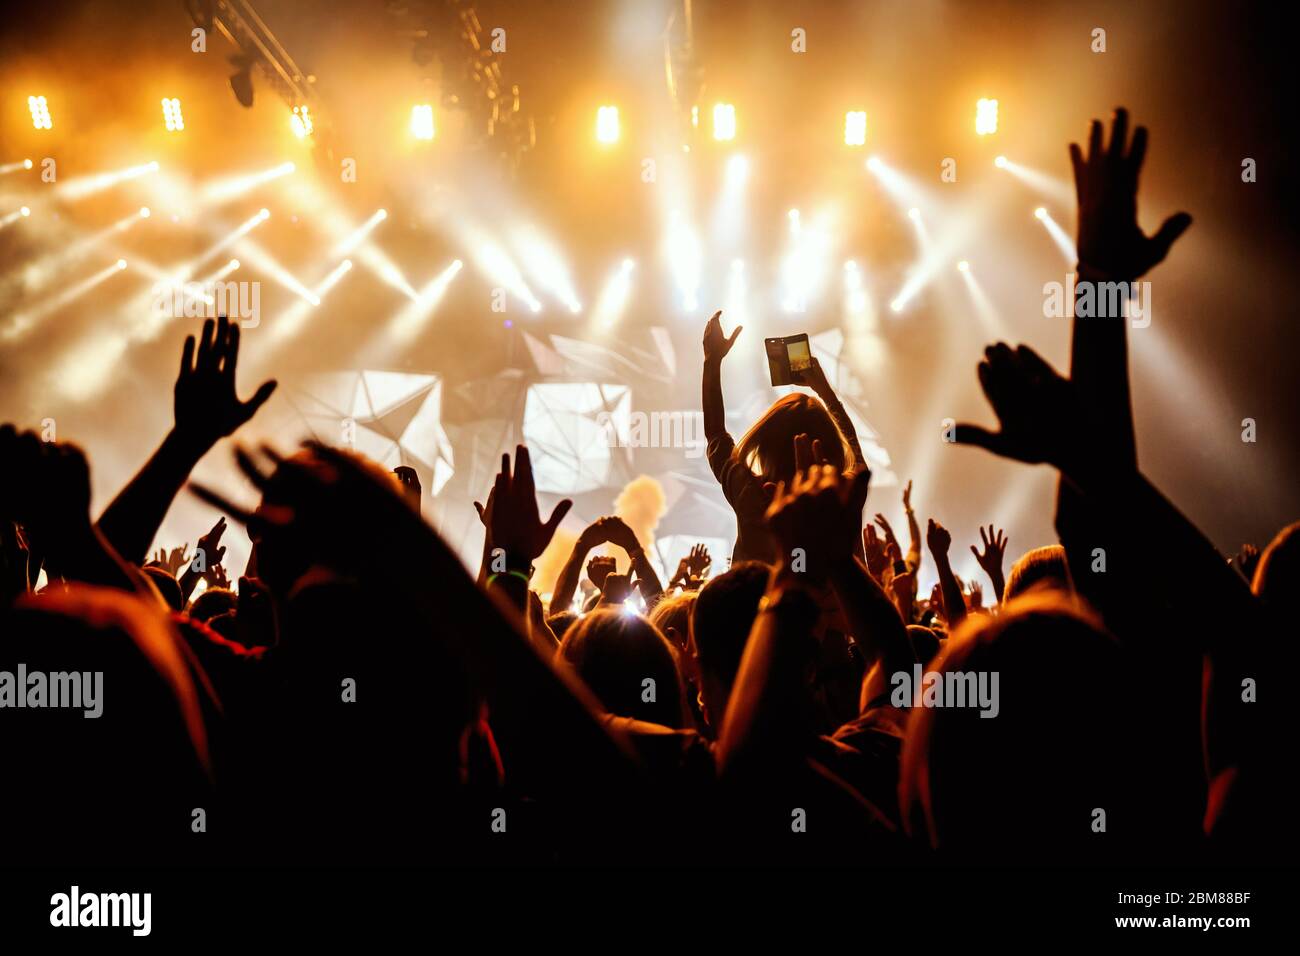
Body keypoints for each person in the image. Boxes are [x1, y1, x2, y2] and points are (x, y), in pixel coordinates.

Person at [701, 311, 866, 562]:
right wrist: (825, 391)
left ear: (766, 445)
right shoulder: (844, 495)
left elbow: (715, 434)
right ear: (829, 443)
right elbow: (855, 455)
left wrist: (712, 362)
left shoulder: (751, 494)